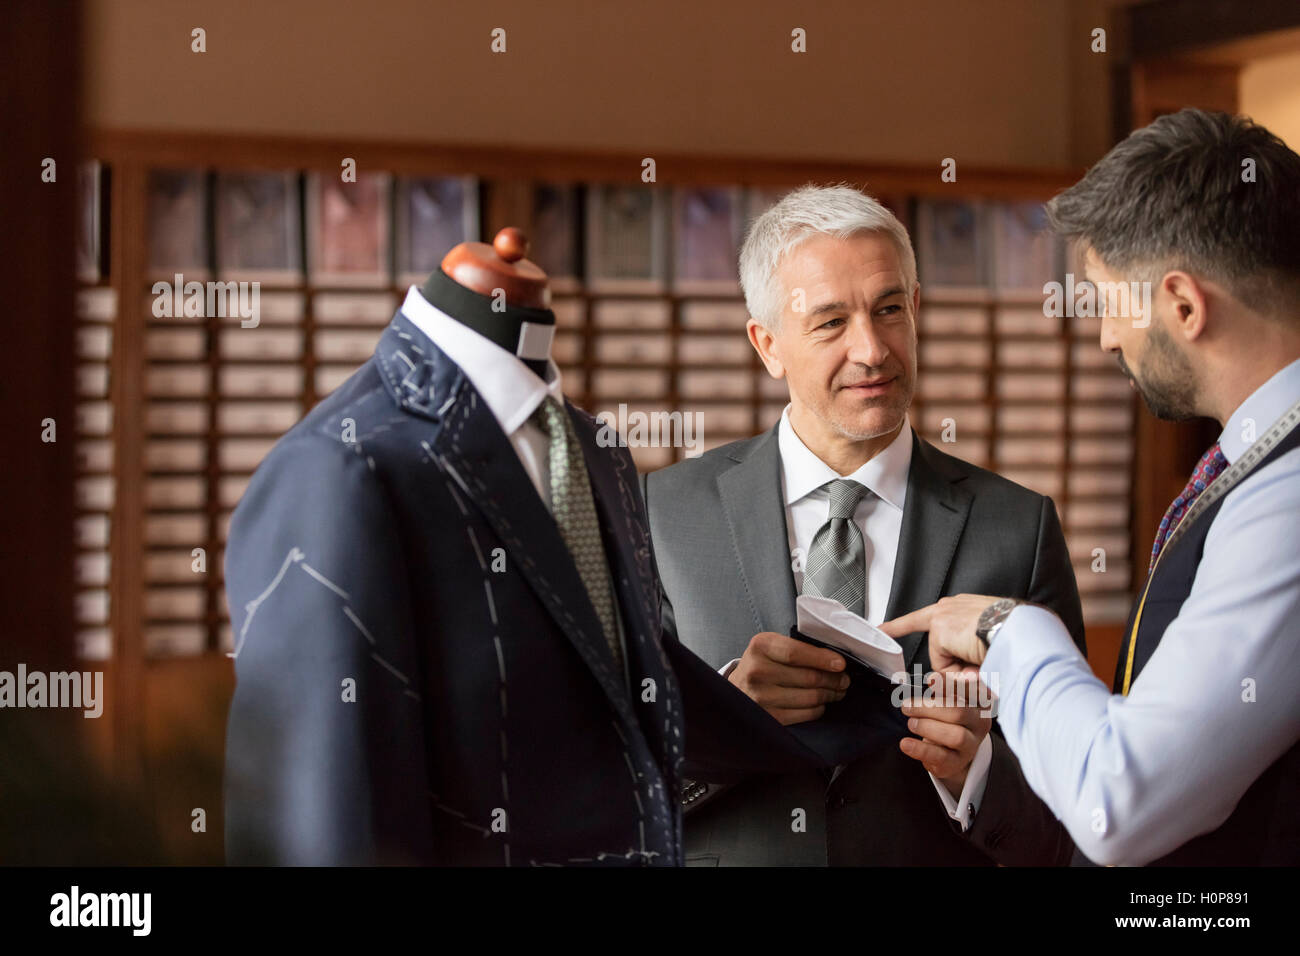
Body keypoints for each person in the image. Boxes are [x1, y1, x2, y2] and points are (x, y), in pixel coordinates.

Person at [884, 109, 1300, 866]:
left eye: (1109, 302)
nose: (1107, 337)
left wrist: (1007, 631)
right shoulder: (1259, 466)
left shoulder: (1288, 498)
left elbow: (1119, 800)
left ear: (1183, 305)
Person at [641, 184, 1085, 866]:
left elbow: (1074, 810)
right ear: (768, 345)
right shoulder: (665, 512)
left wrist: (975, 774)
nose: (872, 351)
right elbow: (604, 780)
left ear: (916, 310)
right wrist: (727, 721)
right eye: (829, 323)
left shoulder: (1018, 529)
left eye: (887, 311)